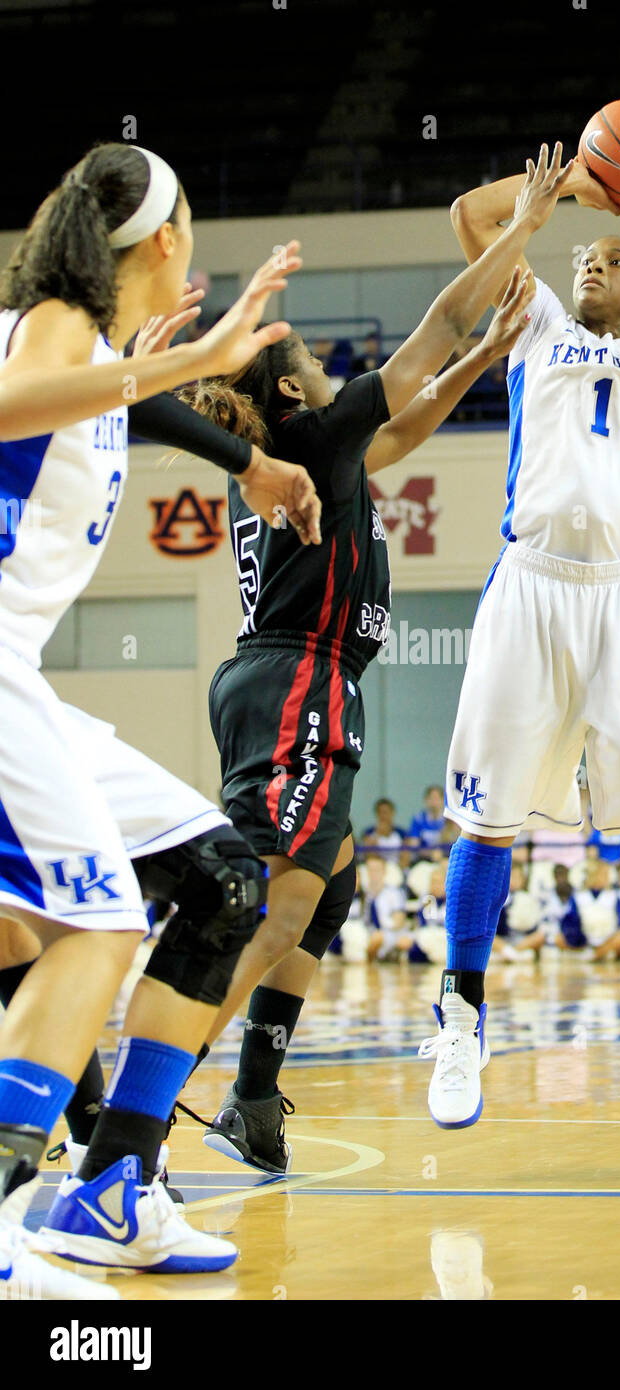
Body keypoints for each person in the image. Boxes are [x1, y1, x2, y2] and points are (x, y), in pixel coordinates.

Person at [176, 152, 563, 1174]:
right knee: (273, 903)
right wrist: (519, 227)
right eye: (310, 350)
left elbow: (411, 422)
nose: (325, 356)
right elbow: (430, 328)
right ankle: (138, 1102)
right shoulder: (312, 434)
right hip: (300, 682)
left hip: (277, 681)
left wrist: (484, 359)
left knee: (332, 885)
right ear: (297, 384)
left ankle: (253, 1095)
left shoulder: (303, 451)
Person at [0, 142, 323, 1298]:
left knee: (222, 876)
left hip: (19, 679)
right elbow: (12, 401)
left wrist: (235, 448)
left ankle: (113, 1185)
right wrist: (190, 356)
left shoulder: (89, 356)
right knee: (86, 925)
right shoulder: (49, 327)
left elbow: (90, 412)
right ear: (170, 241)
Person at [420, 101, 620, 1135]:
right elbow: (474, 219)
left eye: (611, 258)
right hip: (532, 583)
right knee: (487, 814)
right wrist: (568, 188)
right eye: (582, 260)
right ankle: (463, 1016)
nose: (586, 269)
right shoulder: (538, 327)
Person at [407, 785, 447, 849]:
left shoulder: (449, 820)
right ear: (426, 800)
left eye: (437, 798)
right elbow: (414, 845)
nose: (434, 802)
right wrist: (430, 854)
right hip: (424, 857)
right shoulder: (418, 819)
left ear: (443, 800)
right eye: (431, 798)